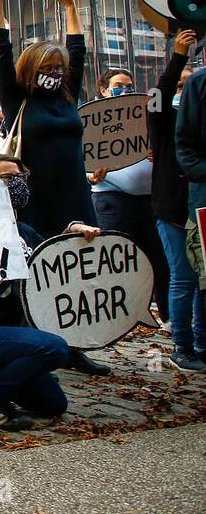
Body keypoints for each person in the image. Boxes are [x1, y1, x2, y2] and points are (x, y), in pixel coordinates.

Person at [0, 154, 102, 429]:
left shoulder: (24, 231)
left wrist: (73, 235)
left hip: (5, 337)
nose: (17, 183)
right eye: (6, 178)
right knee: (54, 348)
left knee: (53, 405)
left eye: (20, 177)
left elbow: (47, 262)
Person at [0, 0, 96, 237]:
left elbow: (77, 52)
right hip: (38, 197)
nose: (55, 73)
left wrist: (70, 8)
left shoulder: (67, 94)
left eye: (59, 67)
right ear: (30, 70)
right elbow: (2, 52)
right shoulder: (17, 100)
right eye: (47, 68)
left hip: (76, 191)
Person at [89, 67, 170, 327]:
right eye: (119, 85)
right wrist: (91, 177)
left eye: (129, 85)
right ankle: (113, 319)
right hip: (112, 198)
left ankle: (167, 316)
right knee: (115, 260)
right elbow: (83, 159)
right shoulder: (93, 119)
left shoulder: (142, 116)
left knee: (160, 260)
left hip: (149, 200)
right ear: (103, 89)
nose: (125, 90)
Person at [150, 32, 205, 371]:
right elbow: (158, 94)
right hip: (173, 210)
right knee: (184, 278)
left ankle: (201, 342)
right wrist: (178, 59)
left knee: (204, 280)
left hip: (199, 209)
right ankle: (181, 345)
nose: (184, 91)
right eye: (180, 86)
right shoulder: (162, 118)